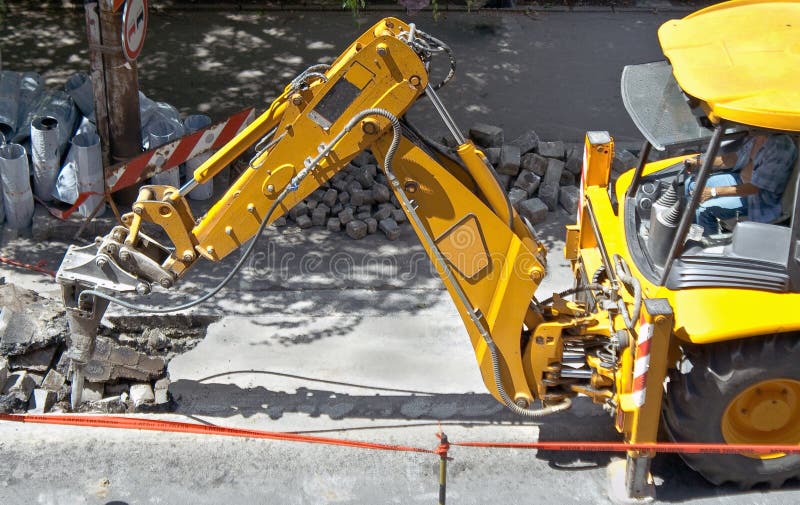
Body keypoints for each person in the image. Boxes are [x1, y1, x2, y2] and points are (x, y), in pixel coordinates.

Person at [685, 133, 797, 234]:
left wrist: (713, 192)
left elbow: (756, 188)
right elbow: (733, 158)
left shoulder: (780, 147)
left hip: (759, 199)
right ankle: (693, 232)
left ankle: (707, 249)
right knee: (690, 184)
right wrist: (700, 162)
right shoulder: (755, 135)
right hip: (739, 179)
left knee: (704, 210)